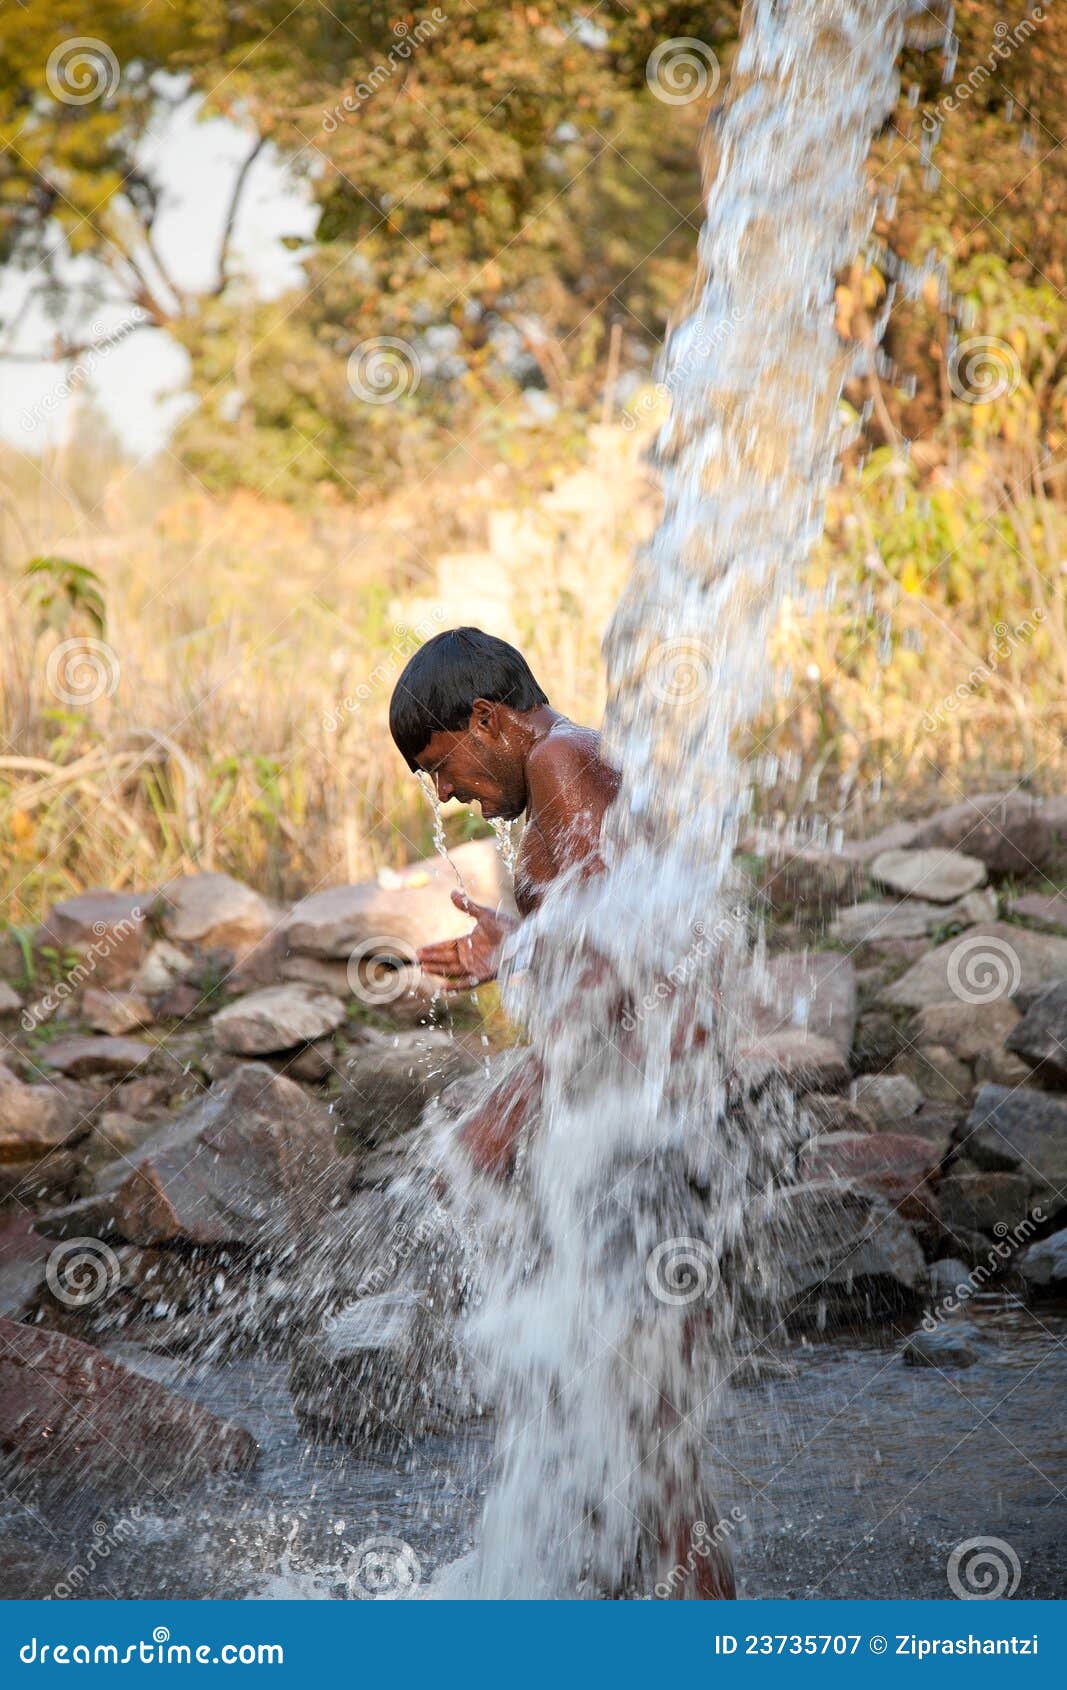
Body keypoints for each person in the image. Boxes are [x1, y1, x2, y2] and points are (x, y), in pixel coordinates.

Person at [388, 627, 734, 1600]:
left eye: (439, 765)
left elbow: (615, 965)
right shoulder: (558, 769)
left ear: (487, 720)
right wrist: (520, 939)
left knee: (663, 1482)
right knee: (638, 1462)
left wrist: (517, 953)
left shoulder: (557, 758)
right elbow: (604, 942)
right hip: (632, 1136)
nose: (444, 794)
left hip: (654, 1150)